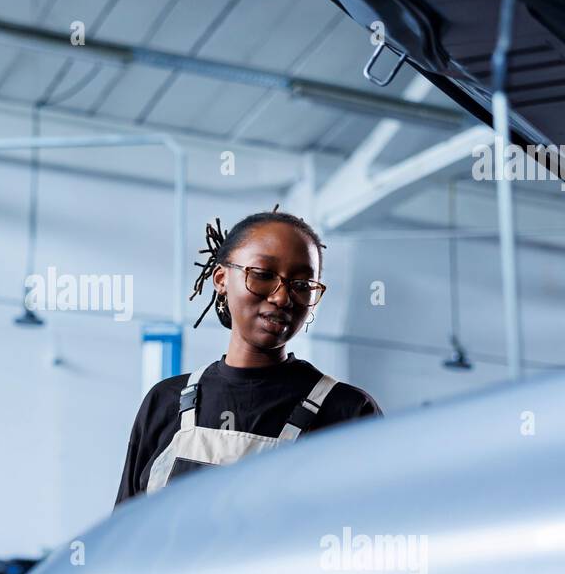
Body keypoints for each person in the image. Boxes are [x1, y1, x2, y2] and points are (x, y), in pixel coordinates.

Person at [116, 207, 381, 506]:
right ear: (221, 279)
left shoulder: (347, 412)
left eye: (302, 285)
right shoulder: (166, 402)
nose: (282, 297)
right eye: (263, 275)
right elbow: (125, 534)